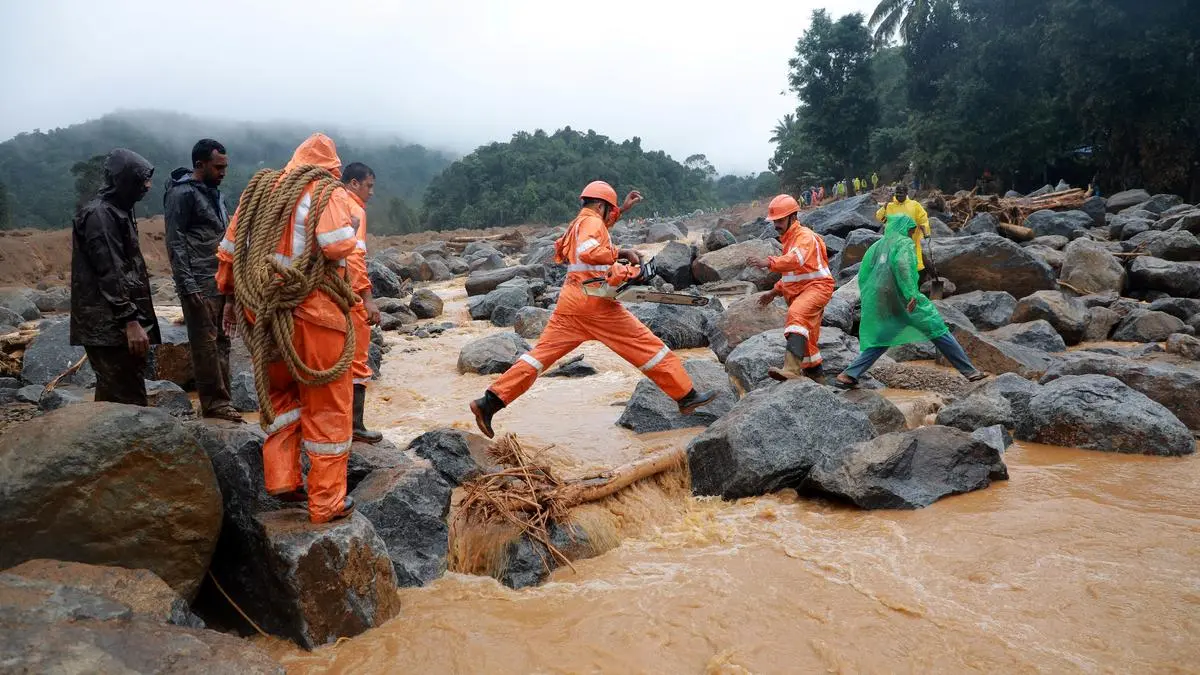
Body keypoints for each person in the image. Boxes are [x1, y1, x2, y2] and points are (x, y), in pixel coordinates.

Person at [470, 181, 716, 438]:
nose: (610, 216)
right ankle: (686, 395)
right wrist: (623, 257)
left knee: (537, 358)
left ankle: (489, 403)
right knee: (647, 346)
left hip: (571, 304)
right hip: (595, 305)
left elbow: (592, 238)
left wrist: (622, 212)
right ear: (600, 206)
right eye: (610, 211)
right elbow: (590, 251)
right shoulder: (592, 224)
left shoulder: (580, 223)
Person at [216, 133, 359, 524]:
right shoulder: (327, 190)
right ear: (333, 167)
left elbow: (229, 251)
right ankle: (326, 503)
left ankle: (283, 481)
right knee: (327, 406)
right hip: (313, 316)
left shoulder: (258, 190)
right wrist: (354, 218)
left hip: (261, 312)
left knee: (281, 396)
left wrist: (229, 297)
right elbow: (336, 244)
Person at [834, 215, 987, 389]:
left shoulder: (877, 246)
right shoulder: (903, 243)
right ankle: (970, 371)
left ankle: (849, 374)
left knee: (883, 339)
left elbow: (864, 273)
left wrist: (873, 297)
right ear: (904, 228)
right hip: (904, 299)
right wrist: (910, 293)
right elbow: (902, 264)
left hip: (884, 300)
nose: (912, 233)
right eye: (911, 229)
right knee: (937, 329)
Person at [70, 149, 161, 405]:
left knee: (115, 395)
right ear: (124, 180)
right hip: (109, 326)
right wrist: (130, 321)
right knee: (127, 399)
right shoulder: (101, 215)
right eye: (141, 179)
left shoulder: (117, 210)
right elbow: (110, 270)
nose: (147, 185)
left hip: (114, 324)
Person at [164, 139, 242, 422]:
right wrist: (188, 285)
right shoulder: (181, 195)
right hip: (198, 281)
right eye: (218, 167)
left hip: (218, 280)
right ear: (200, 165)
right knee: (205, 344)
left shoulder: (214, 194)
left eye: (225, 167)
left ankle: (224, 401)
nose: (223, 172)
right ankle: (214, 403)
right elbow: (175, 242)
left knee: (222, 341)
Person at [748, 194, 834, 381]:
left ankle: (791, 370)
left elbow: (796, 260)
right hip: (803, 289)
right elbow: (791, 277)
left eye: (780, 220)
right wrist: (773, 292)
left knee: (796, 314)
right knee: (808, 340)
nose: (776, 225)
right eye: (774, 221)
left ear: (793, 218)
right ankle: (819, 383)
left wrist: (768, 262)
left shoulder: (804, 237)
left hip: (818, 287)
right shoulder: (789, 240)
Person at [341, 162, 383, 443]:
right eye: (368, 185)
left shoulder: (331, 202)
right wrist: (366, 297)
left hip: (327, 296)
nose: (371, 192)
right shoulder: (354, 208)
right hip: (349, 296)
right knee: (357, 359)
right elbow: (355, 257)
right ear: (354, 183)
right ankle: (355, 426)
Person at [875, 184, 932, 282]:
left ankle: (916, 285)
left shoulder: (914, 205)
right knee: (897, 264)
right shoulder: (889, 206)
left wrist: (925, 230)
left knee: (914, 262)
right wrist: (885, 208)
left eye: (901, 193)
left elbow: (923, 218)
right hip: (895, 241)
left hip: (912, 240)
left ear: (906, 193)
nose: (898, 195)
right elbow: (879, 217)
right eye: (896, 193)